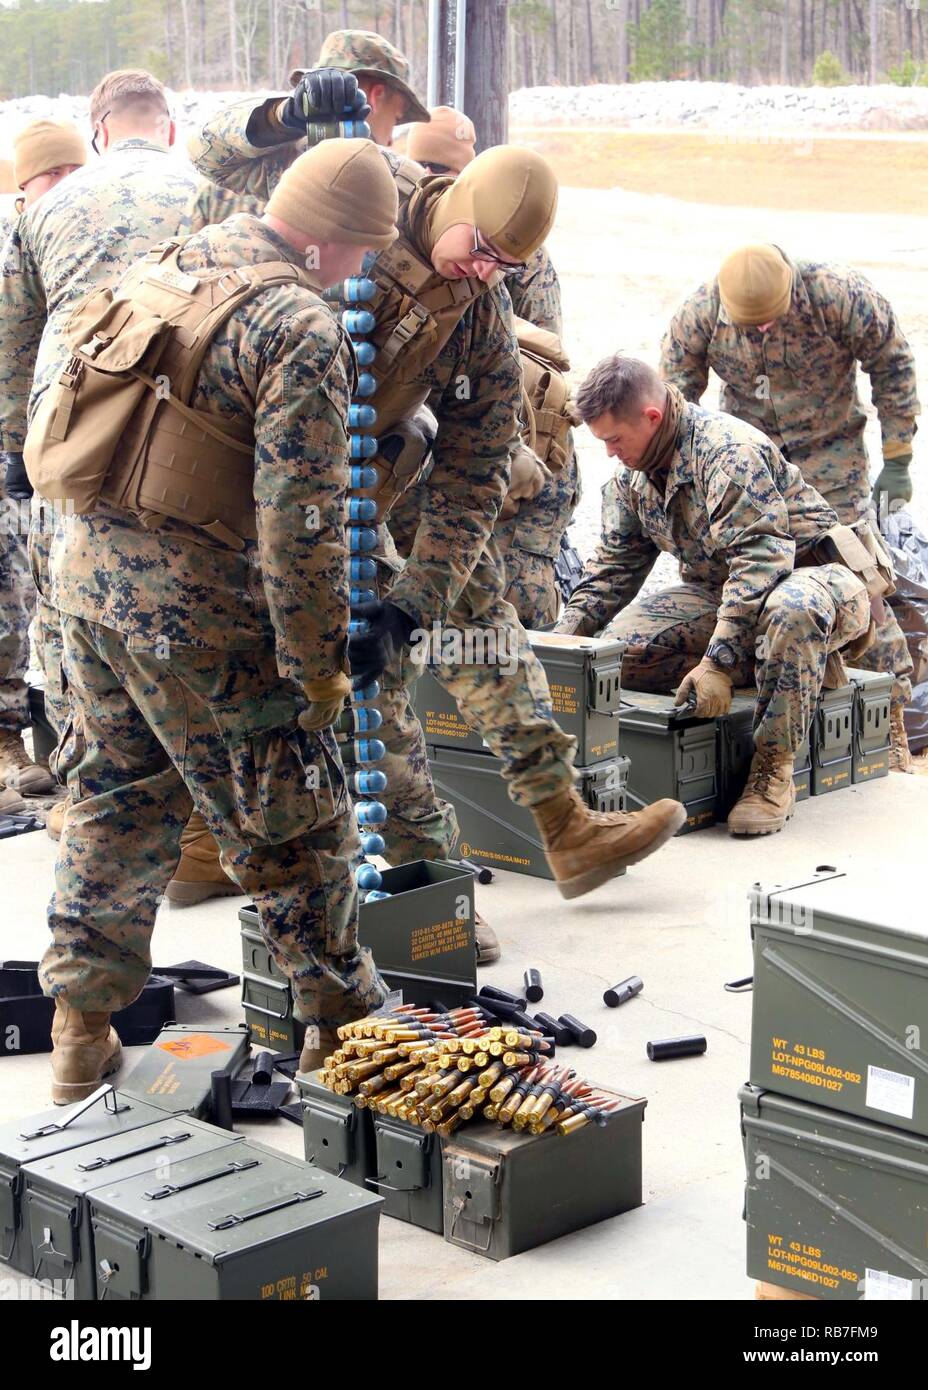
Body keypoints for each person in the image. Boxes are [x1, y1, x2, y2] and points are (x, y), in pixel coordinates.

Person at [190, 73, 686, 915]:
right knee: (346, 689)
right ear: (452, 199)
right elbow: (208, 157)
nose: (486, 273)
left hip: (378, 476)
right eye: (481, 250)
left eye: (507, 266)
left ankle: (565, 825)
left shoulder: (481, 308)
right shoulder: (359, 183)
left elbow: (477, 464)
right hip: (264, 477)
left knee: (480, 626)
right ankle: (409, 886)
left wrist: (418, 603)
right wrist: (279, 116)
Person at [31, 139, 398, 1102]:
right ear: (332, 241)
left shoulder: (173, 267)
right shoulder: (299, 324)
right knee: (291, 824)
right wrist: (318, 669)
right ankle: (343, 1031)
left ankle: (79, 1034)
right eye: (362, 253)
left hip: (88, 593)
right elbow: (302, 523)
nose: (361, 273)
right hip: (201, 619)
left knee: (115, 803)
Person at [0, 70, 239, 902]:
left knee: (79, 623)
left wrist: (12, 451)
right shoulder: (209, 187)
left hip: (75, 435)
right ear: (169, 129)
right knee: (195, 623)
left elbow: (14, 338)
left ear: (96, 131)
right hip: (187, 441)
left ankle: (96, 808)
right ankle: (210, 824)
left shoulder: (47, 208)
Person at [555, 355, 876, 837]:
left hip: (814, 583)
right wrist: (560, 642)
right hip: (726, 595)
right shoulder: (632, 478)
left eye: (615, 440)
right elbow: (613, 569)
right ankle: (782, 671)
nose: (610, 453)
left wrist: (718, 663)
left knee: (791, 612)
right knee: (616, 653)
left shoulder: (727, 452)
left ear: (652, 418)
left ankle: (773, 769)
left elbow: (761, 561)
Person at [660, 243, 919, 767]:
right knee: (751, 581)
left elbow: (893, 365)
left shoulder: (838, 294)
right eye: (748, 327)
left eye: (769, 323)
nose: (759, 335)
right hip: (750, 464)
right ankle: (776, 692)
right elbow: (673, 399)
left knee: (859, 579)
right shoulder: (702, 312)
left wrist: (898, 458)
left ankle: (892, 716)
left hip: (832, 462)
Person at [398, 104, 581, 630]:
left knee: (515, 603)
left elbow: (538, 368)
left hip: (517, 441)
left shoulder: (516, 254)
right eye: (422, 168)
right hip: (433, 431)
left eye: (442, 170)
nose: (429, 180)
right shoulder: (399, 225)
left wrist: (512, 448)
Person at [0, 121, 87, 809]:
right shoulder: (18, 242)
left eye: (70, 172)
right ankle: (6, 740)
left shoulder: (76, 236)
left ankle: (60, 746)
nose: (62, 187)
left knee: (51, 605)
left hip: (50, 450)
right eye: (47, 177)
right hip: (15, 440)